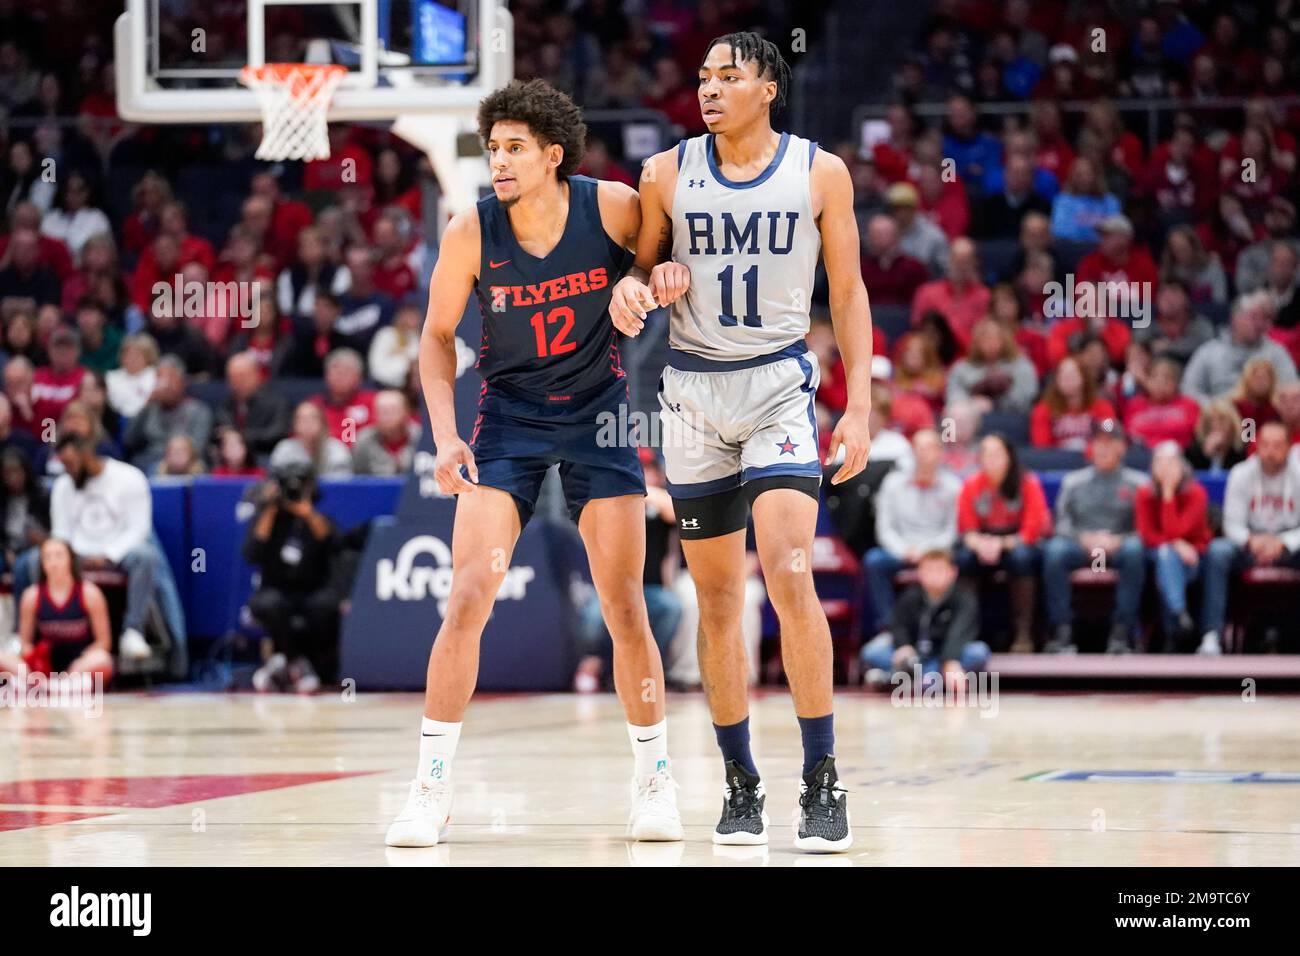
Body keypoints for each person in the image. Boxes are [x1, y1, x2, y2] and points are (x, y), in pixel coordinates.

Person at [386, 78, 685, 849]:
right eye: (492, 149)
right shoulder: (470, 232)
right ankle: (431, 789)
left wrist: (640, 282)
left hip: (602, 415)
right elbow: (433, 338)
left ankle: (654, 777)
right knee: (468, 596)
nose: (499, 161)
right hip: (509, 419)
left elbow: (667, 250)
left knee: (625, 604)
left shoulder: (611, 206)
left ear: (554, 155)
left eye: (515, 147)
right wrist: (447, 435)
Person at [622, 33, 873, 850]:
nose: (710, 88)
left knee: (789, 568)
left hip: (777, 387)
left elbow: (852, 291)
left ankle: (822, 778)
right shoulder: (663, 173)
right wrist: (645, 288)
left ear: (769, 87)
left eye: (728, 76)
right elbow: (636, 279)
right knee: (719, 599)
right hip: (692, 395)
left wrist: (861, 406)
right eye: (702, 77)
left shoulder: (820, 170)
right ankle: (739, 782)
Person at [574, 451, 683, 692]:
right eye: (638, 468)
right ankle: (594, 665)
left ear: (657, 473)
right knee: (593, 614)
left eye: (647, 469)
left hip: (652, 588)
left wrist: (642, 490)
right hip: (614, 585)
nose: (642, 473)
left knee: (671, 608)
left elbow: (674, 513)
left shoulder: (661, 499)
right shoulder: (613, 498)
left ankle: (654, 671)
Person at [44, 434, 158, 661]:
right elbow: (60, 532)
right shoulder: (63, 484)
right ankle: (30, 637)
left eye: (71, 464)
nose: (68, 472)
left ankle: (132, 631)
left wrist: (108, 555)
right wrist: (70, 553)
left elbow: (139, 529)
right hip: (77, 553)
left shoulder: (129, 477)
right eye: (64, 465)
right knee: (30, 561)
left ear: (87, 455)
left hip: (119, 550)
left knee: (146, 556)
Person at [1042, 419, 1149, 655]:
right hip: (1081, 545)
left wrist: (1118, 540)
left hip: (1119, 544)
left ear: (1122, 447)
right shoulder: (1074, 481)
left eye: (1110, 443)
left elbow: (1145, 527)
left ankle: (1122, 633)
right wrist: (1083, 538)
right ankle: (1062, 632)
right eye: (1098, 443)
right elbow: (1061, 522)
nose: (1103, 448)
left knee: (1134, 550)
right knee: (1055, 552)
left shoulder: (1138, 483)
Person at [1199, 421, 1300, 655]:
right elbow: (1231, 523)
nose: (1270, 451)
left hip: (1289, 548)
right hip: (1249, 548)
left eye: (1277, 445)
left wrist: (1283, 542)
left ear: (1288, 447)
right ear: (1256, 446)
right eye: (1264, 445)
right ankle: (1211, 635)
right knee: (1217, 551)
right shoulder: (1241, 473)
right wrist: (1250, 541)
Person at [243, 462, 338, 694]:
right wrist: (270, 508)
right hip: (275, 589)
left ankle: (300, 665)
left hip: (311, 590)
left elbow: (333, 543)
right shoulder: (268, 520)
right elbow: (251, 553)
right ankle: (293, 662)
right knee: (269, 604)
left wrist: (306, 512)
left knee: (325, 604)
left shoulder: (317, 519)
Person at [862, 428, 962, 641]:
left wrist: (928, 552)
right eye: (919, 448)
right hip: (902, 550)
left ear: (940, 452)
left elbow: (952, 531)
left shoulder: (953, 486)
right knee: (874, 560)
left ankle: (952, 631)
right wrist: (904, 550)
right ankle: (889, 629)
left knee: (965, 560)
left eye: (930, 448)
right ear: (911, 452)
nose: (924, 453)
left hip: (938, 552)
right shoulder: (892, 483)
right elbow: (884, 528)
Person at [955, 434, 1050, 652]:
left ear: (1009, 457)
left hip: (1017, 543)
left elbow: (1031, 531)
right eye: (986, 454)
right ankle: (967, 632)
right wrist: (980, 544)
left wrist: (1002, 544)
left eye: (997, 453)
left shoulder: (1027, 483)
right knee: (963, 559)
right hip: (984, 542)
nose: (991, 459)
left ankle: (1023, 634)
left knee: (1021, 558)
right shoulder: (971, 485)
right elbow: (967, 530)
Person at [858, 549, 988, 689]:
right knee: (872, 652)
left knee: (978, 652)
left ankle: (896, 678)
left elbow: (960, 632)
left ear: (953, 572)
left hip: (945, 655)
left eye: (939, 570)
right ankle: (922, 679)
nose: (934, 575)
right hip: (915, 656)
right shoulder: (910, 596)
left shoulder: (964, 600)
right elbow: (898, 625)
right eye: (928, 570)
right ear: (919, 573)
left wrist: (950, 659)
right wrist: (903, 645)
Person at [0, 538, 113, 685]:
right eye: (47, 557)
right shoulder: (31, 596)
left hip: (78, 666)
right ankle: (40, 684)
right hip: (42, 668)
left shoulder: (90, 593)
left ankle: (64, 683)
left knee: (103, 660)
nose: (53, 562)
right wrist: (35, 660)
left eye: (59, 555)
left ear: (70, 560)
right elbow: (25, 642)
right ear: (42, 563)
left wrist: (81, 662)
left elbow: (103, 642)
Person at [1136, 441, 1211, 649]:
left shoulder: (1196, 493)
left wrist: (1168, 494)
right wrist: (1175, 545)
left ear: (1182, 466)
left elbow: (1180, 531)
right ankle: (1178, 614)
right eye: (1159, 462)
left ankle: (1174, 627)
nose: (1165, 468)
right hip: (1157, 554)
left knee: (1168, 561)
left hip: (1195, 556)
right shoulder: (1144, 493)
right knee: (1166, 555)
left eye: (1171, 462)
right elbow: (1147, 535)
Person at [1183, 291, 1297, 404]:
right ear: (1235, 318)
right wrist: (1214, 407)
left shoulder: (1276, 352)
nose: (1259, 323)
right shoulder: (1208, 352)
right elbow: (1189, 390)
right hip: (1220, 417)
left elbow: (1292, 386)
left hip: (1263, 416)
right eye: (1253, 317)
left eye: (1263, 319)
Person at [122, 355, 213, 473]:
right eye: (160, 377)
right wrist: (146, 404)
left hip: (185, 463)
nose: (165, 384)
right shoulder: (150, 409)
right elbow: (128, 440)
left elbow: (199, 448)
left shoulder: (199, 410)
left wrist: (174, 458)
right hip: (150, 460)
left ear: (182, 382)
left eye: (170, 377)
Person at [945, 318, 1039, 415]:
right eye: (984, 340)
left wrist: (994, 403)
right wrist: (972, 404)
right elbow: (954, 396)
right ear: (976, 343)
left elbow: (1026, 397)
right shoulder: (961, 369)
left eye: (995, 339)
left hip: (1012, 418)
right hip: (972, 417)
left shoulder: (1021, 365)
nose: (990, 344)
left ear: (1005, 341)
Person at [215, 351, 291, 460]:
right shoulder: (226, 406)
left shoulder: (277, 403)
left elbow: (278, 433)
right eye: (232, 377)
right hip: (230, 463)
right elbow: (219, 432)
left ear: (257, 375)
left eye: (242, 376)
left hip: (267, 459)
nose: (237, 382)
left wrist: (242, 437)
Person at [1031, 355, 1117, 450]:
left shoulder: (1102, 406)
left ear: (1083, 377)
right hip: (1058, 461)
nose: (1067, 379)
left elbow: (1109, 431)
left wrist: (1102, 426)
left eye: (1072, 375)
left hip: (1093, 459)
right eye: (1062, 375)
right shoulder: (1043, 410)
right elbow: (1041, 446)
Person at [1124, 356, 1201, 449]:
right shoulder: (1135, 405)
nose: (1160, 382)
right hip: (1141, 456)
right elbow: (1125, 433)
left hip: (1180, 455)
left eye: (1167, 378)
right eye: (1154, 376)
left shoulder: (1189, 405)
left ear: (1177, 383)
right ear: (1147, 380)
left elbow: (1199, 437)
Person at [270, 401, 353, 478]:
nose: (307, 424)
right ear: (294, 425)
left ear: (323, 423)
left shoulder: (337, 449)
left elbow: (341, 487)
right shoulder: (284, 449)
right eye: (302, 419)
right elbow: (273, 484)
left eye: (313, 419)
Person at [351, 389, 421, 476]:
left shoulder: (421, 437)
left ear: (406, 412)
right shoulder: (364, 441)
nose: (387, 416)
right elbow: (357, 478)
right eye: (382, 411)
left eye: (392, 411)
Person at [1185, 399, 1247, 473]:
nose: (1216, 425)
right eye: (1210, 421)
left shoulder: (1241, 450)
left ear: (1232, 424)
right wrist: (1204, 453)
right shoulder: (1194, 450)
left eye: (1222, 420)